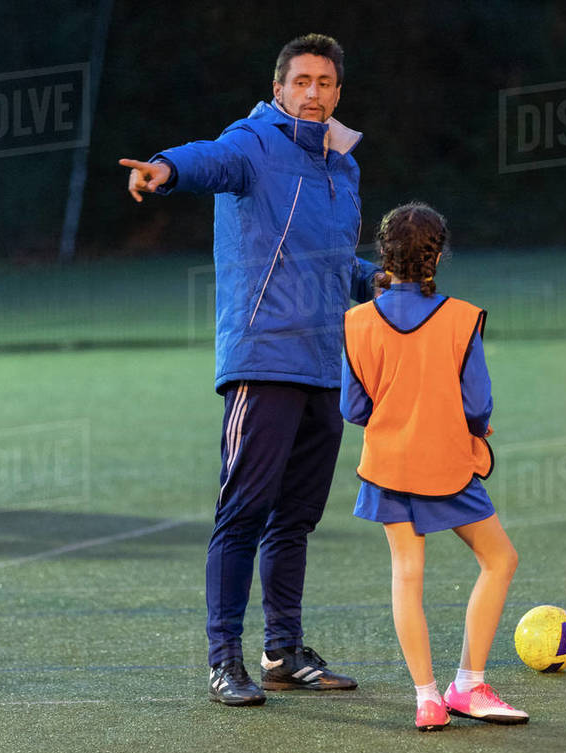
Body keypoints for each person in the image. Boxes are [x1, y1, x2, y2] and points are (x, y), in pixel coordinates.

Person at [120, 33, 380, 705]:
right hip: (264, 358)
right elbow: (211, 160)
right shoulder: (255, 142)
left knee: (294, 520)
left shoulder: (340, 167)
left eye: (325, 82)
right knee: (243, 513)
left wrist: (376, 282)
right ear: (279, 90)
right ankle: (222, 659)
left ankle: (283, 653)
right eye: (302, 81)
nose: (313, 93)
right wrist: (163, 168)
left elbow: (328, 263)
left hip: (325, 365)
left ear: (338, 93)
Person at [341, 203, 526, 731]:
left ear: (384, 257)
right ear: (437, 257)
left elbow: (353, 410)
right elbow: (478, 406)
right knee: (499, 559)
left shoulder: (355, 322)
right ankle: (467, 684)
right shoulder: (463, 318)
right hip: (448, 464)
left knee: (407, 574)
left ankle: (427, 700)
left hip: (388, 468)